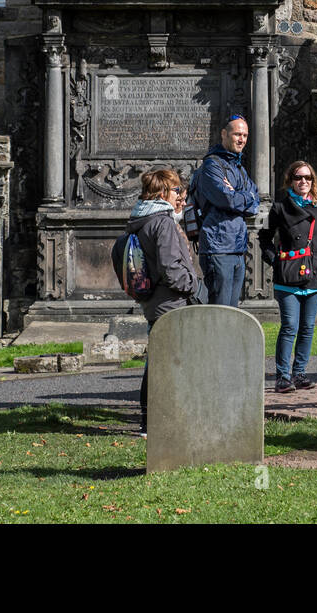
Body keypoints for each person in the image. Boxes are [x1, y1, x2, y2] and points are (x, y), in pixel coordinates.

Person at [111, 169, 201, 439]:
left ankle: (151, 422)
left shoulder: (140, 218)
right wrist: (194, 285)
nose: (181, 198)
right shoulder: (162, 222)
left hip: (154, 302)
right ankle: (162, 422)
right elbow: (170, 268)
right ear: (163, 193)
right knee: (169, 364)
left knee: (159, 362)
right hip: (170, 303)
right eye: (177, 192)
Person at [259, 161, 317, 393]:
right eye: (298, 177)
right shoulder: (280, 207)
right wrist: (275, 260)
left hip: (315, 275)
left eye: (307, 178)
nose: (303, 182)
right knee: (289, 326)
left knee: (307, 326)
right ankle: (283, 377)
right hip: (288, 277)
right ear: (290, 180)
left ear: (313, 181)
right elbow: (265, 238)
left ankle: (300, 373)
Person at [193, 114, 260, 307]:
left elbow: (255, 201)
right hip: (218, 247)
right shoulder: (212, 165)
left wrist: (241, 195)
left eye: (245, 135)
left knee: (232, 313)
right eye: (237, 134)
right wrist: (244, 196)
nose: (242, 140)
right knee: (219, 312)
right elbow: (227, 200)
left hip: (237, 247)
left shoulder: (238, 167)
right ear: (224, 134)